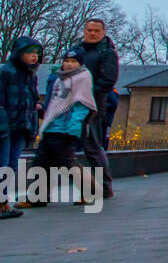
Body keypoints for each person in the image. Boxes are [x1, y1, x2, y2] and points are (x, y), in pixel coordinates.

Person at [24, 49, 97, 207]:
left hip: (64, 129)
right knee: (41, 163)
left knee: (67, 164)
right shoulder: (59, 78)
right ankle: (38, 197)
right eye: (67, 61)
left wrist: (72, 127)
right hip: (51, 127)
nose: (69, 64)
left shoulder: (83, 77)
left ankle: (90, 191)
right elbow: (54, 102)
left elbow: (82, 105)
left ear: (80, 64)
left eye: (73, 61)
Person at [0, 37, 43, 218]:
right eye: (30, 52)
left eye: (37, 53)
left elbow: (32, 103)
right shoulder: (6, 72)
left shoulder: (31, 76)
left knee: (11, 165)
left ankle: (3, 204)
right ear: (19, 53)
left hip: (20, 126)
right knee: (2, 165)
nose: (34, 56)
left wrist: (32, 125)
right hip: (4, 127)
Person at [75, 19, 117, 198]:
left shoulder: (107, 53)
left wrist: (89, 94)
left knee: (93, 148)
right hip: (74, 104)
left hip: (92, 106)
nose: (92, 33)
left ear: (103, 32)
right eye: (89, 30)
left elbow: (108, 80)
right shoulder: (78, 50)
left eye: (96, 31)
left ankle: (103, 186)